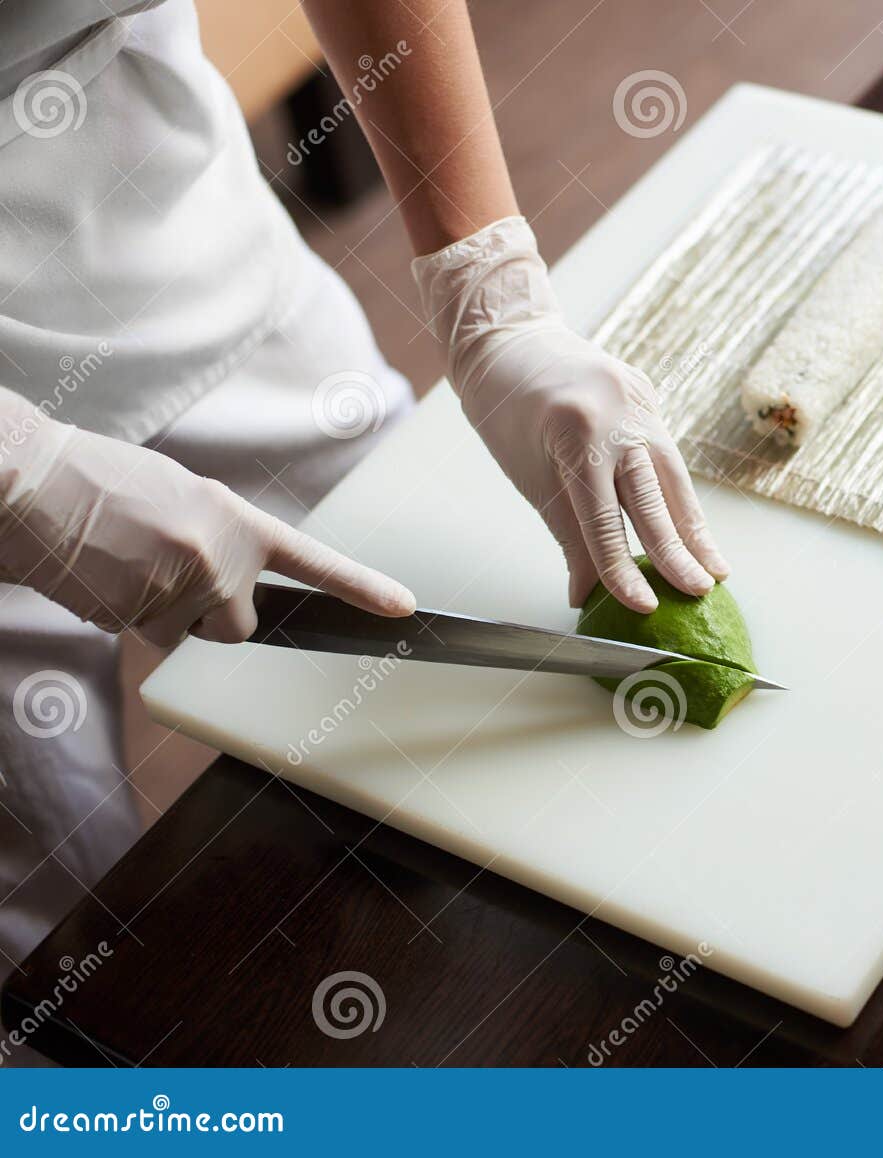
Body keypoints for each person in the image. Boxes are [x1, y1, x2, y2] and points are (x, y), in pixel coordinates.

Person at [0, 0, 727, 1033]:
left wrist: (494, 289)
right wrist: (21, 477)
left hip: (203, 266)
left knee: (462, 726)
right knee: (76, 947)